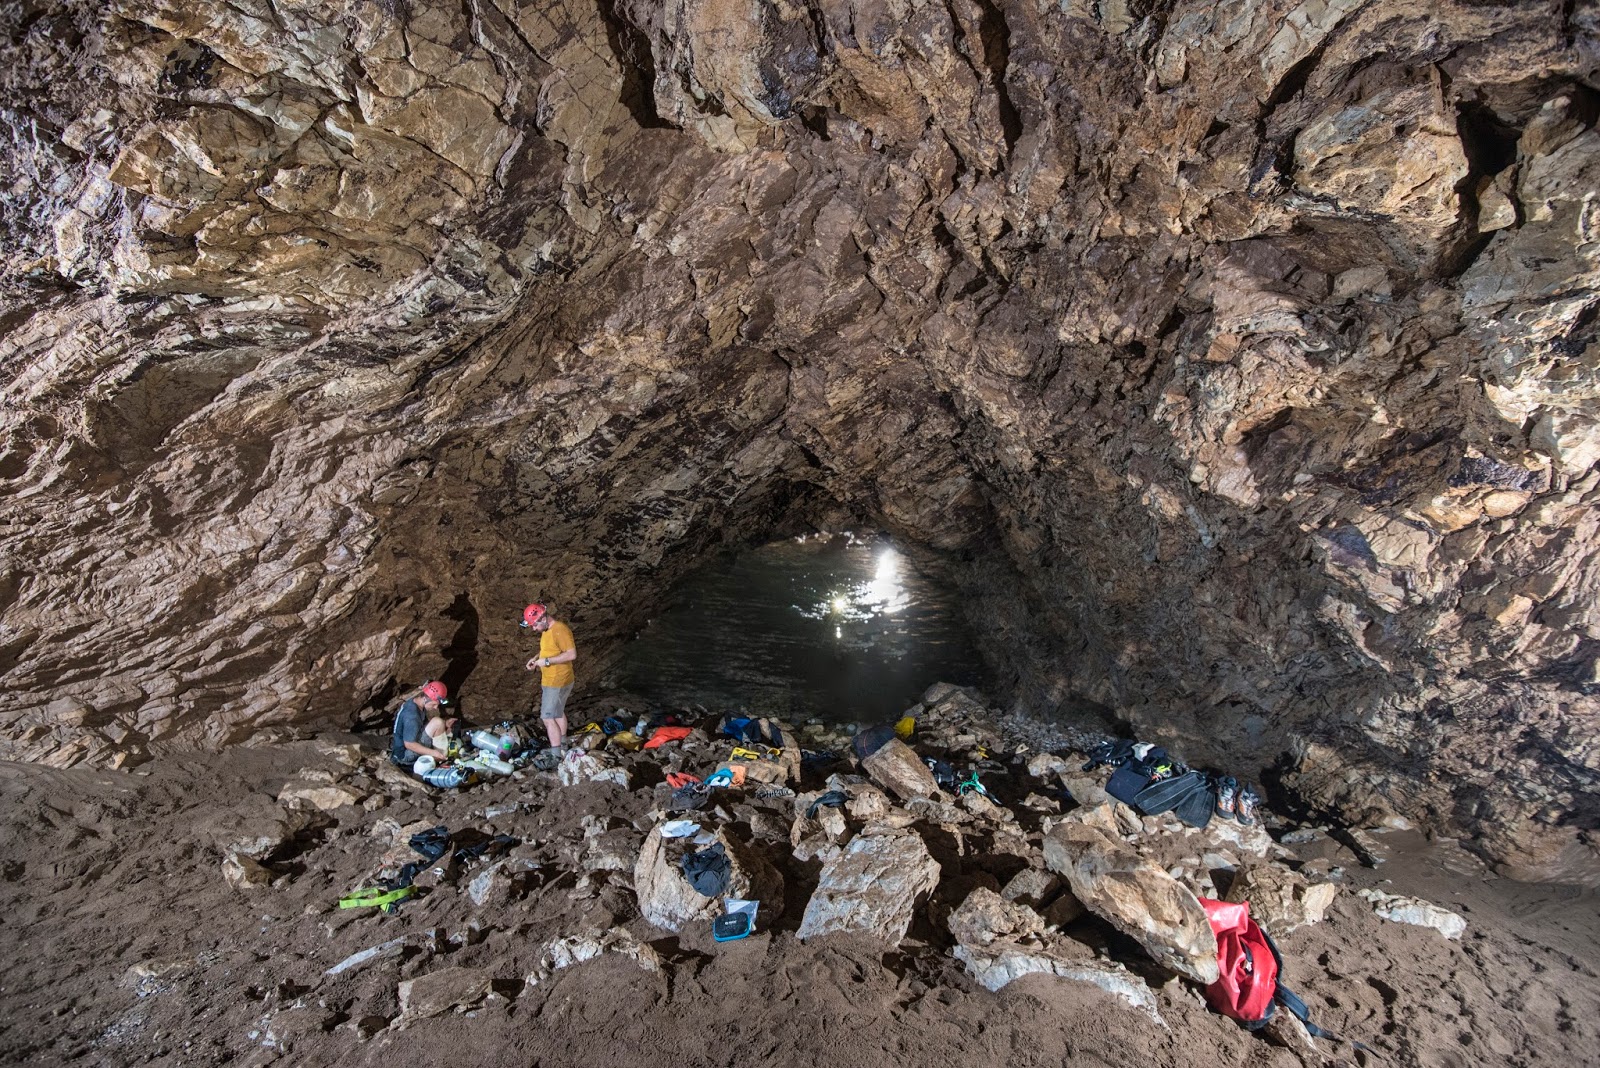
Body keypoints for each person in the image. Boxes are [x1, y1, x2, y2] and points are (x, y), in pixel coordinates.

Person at [522, 603, 576, 751]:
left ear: (543, 618)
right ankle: (564, 745)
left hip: (556, 681)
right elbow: (549, 650)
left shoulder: (560, 630)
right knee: (558, 712)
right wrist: (536, 658)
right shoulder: (547, 631)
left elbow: (571, 654)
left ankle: (556, 755)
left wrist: (545, 661)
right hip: (558, 679)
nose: (533, 628)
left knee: (547, 717)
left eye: (534, 625)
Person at [389, 680, 456, 769]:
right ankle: (441, 759)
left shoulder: (415, 702)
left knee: (440, 723)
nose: (436, 708)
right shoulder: (412, 716)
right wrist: (433, 753)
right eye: (434, 704)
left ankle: (440, 756)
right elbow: (409, 744)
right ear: (425, 698)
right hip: (404, 756)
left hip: (402, 748)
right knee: (437, 722)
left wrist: (445, 725)